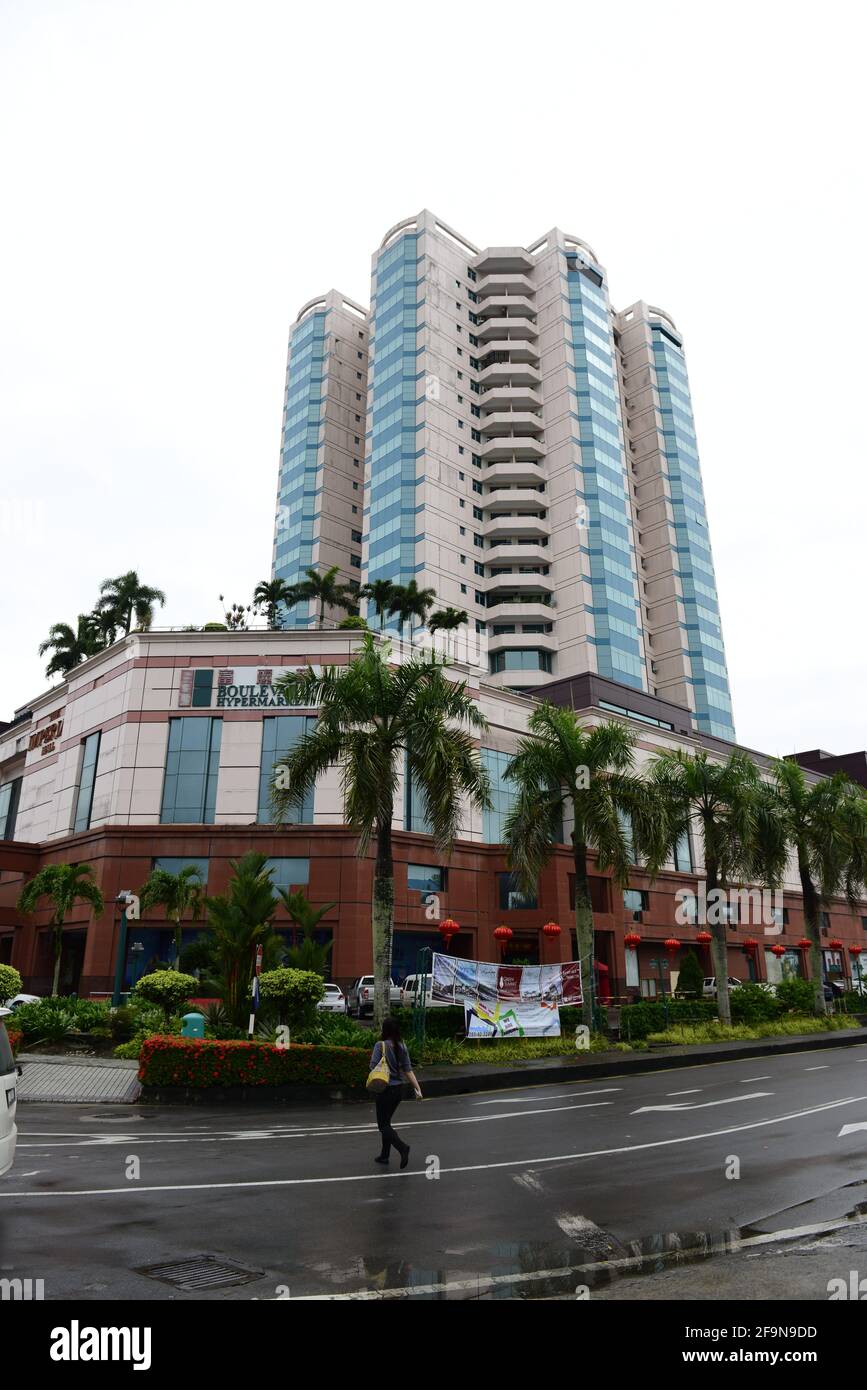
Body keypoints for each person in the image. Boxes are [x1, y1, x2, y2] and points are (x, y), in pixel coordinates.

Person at [369, 1017, 422, 1168]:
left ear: (385, 1030)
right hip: (398, 1091)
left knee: (383, 1126)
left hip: (384, 1090)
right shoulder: (402, 1046)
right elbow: (408, 1070)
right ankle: (384, 1155)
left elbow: (373, 1066)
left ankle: (403, 1148)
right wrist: (418, 1089)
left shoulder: (380, 1046)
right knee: (387, 1123)